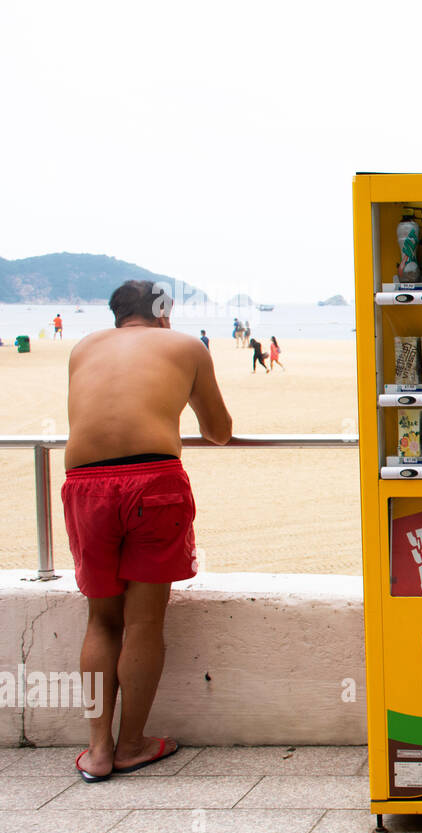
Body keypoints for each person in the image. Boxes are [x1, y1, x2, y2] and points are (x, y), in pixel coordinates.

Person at [63, 280, 232, 782]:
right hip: (152, 482)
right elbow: (218, 431)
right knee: (142, 624)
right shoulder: (184, 345)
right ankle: (132, 744)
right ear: (162, 310)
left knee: (101, 621)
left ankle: (97, 751)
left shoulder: (82, 347)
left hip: (85, 485)